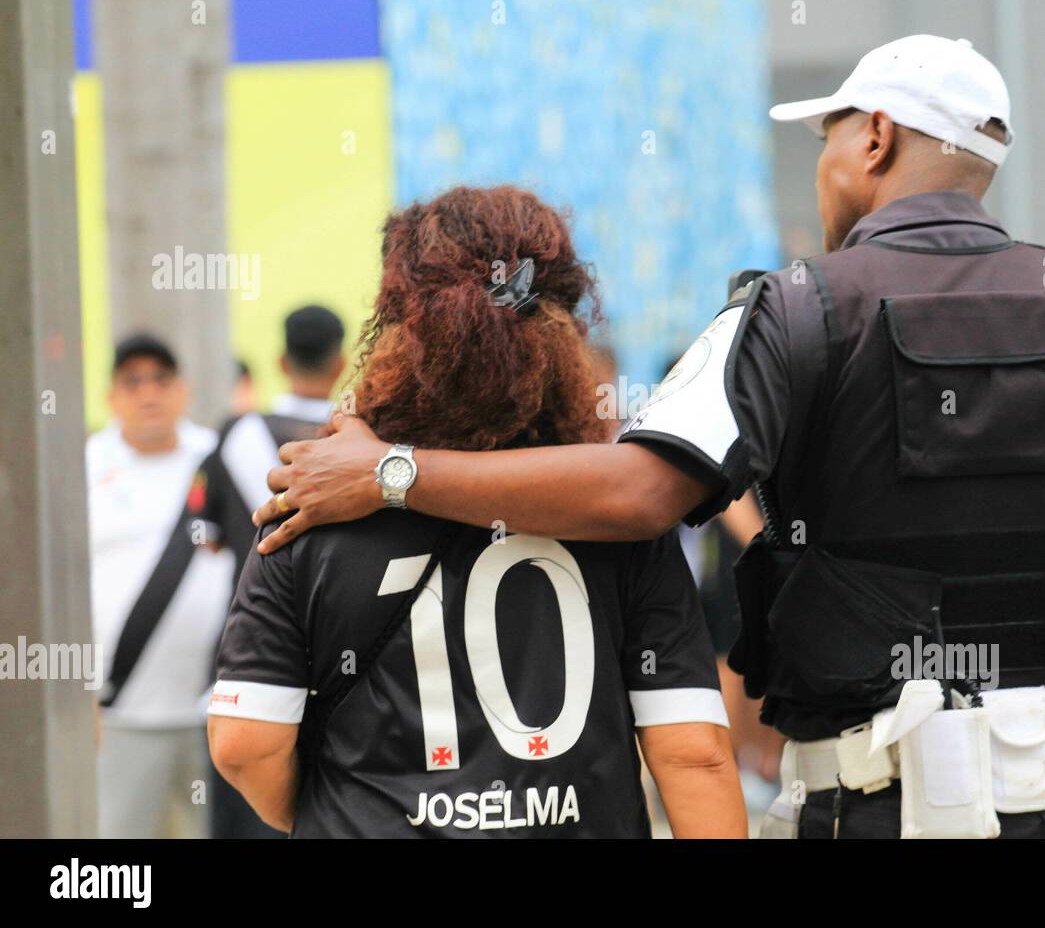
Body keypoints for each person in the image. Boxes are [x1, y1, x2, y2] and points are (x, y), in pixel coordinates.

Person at [251, 36, 1045, 839]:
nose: (822, 166)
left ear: (875, 139)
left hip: (873, 803)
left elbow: (642, 492)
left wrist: (393, 470)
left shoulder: (795, 309)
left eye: (828, 136)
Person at [207, 186, 746, 838]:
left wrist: (339, 812)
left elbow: (243, 743)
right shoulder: (616, 518)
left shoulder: (313, 502)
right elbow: (694, 756)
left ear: (396, 328)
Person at [197, 305, 347, 838]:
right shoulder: (362, 444)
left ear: (282, 361)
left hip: (251, 654)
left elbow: (204, 542)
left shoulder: (236, 435)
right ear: (342, 363)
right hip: (345, 664)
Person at [87, 333, 234, 838]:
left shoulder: (216, 460)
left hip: (212, 712)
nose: (149, 393)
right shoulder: (84, 467)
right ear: (112, 397)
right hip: (121, 713)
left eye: (161, 380)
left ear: (183, 390)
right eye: (133, 382)